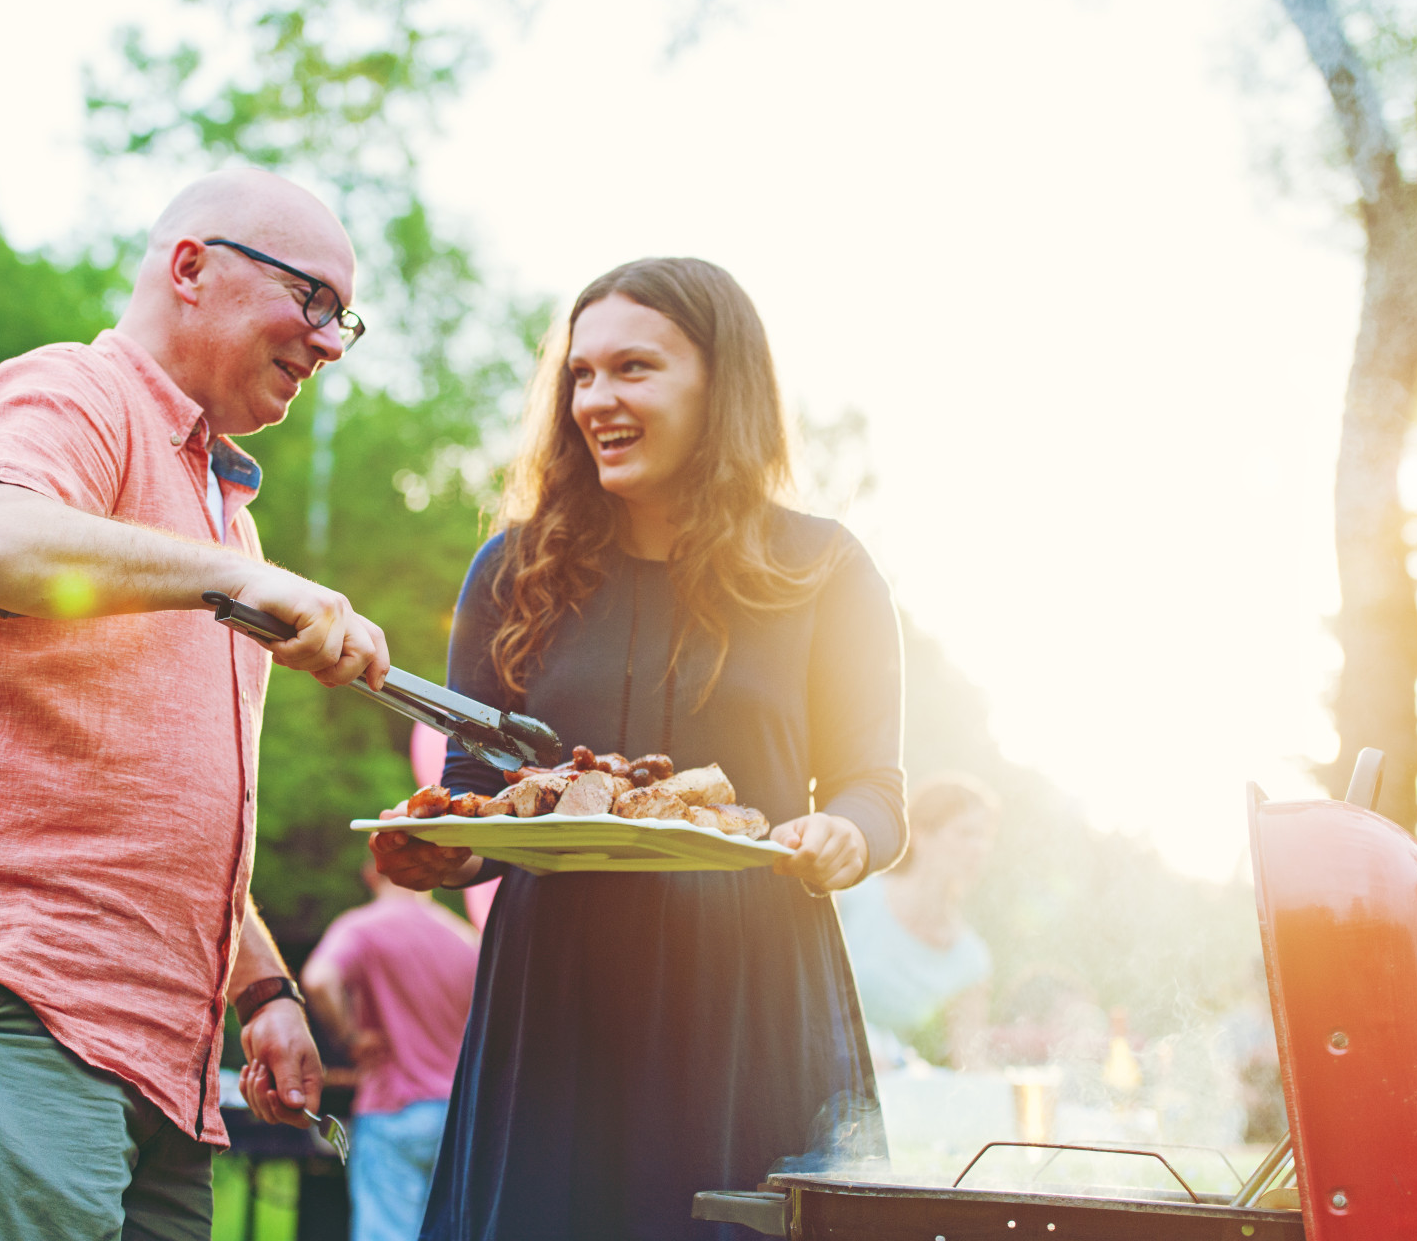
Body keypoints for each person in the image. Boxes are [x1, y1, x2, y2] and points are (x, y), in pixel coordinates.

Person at [0, 169, 390, 1241]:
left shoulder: (227, 526)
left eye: (342, 316)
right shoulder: (74, 392)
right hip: (10, 1012)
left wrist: (262, 989)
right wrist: (246, 584)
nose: (329, 342)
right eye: (311, 299)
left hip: (164, 1067)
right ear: (190, 268)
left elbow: (158, 801)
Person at [370, 257, 907, 1240]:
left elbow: (876, 789)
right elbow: (477, 788)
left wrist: (845, 833)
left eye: (633, 369)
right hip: (559, 996)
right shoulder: (513, 569)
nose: (596, 400)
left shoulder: (825, 569)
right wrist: (445, 844)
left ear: (722, 382)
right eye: (581, 374)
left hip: (750, 988)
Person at [302, 861, 479, 1241]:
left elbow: (318, 980)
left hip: (392, 1112)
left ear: (371, 873)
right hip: (457, 1120)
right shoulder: (466, 938)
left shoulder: (361, 927)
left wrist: (349, 1037)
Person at [836, 775, 999, 1070]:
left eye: (984, 837)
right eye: (965, 833)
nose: (980, 848)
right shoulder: (852, 897)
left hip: (884, 1099)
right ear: (920, 836)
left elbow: (971, 1065)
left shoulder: (970, 959)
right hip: (813, 1075)